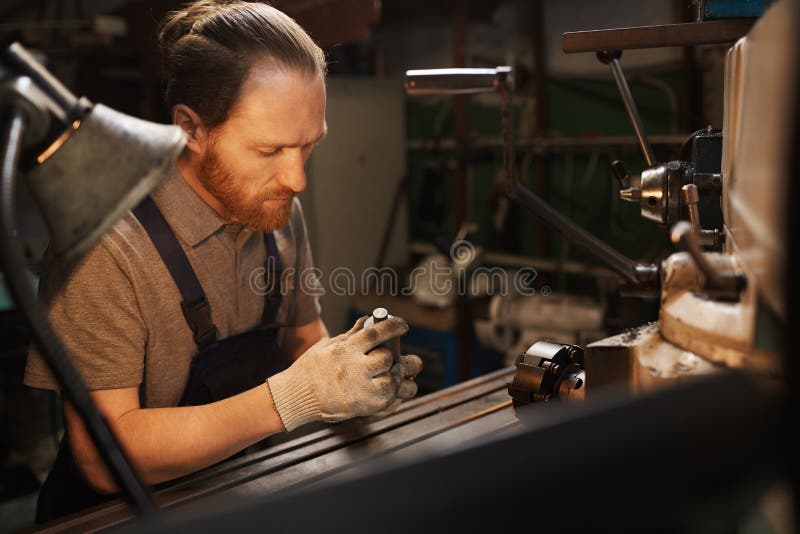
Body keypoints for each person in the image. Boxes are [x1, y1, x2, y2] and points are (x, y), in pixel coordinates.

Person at [23, 0, 422, 522]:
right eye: (269, 151)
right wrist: (292, 398)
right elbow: (103, 457)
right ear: (192, 128)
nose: (297, 179)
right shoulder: (107, 245)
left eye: (308, 147)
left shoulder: (277, 209)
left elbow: (301, 336)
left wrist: (354, 380)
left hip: (233, 494)